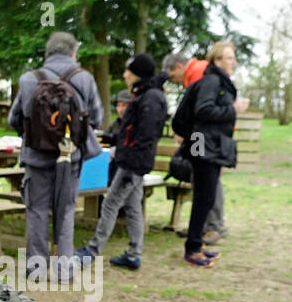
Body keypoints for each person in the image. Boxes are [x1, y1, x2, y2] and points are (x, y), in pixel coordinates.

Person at [8, 31, 103, 283]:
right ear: (73, 52)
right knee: (66, 210)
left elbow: (14, 119)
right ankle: (63, 271)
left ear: (48, 53)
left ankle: (36, 270)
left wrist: (34, 138)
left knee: (37, 210)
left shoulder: (30, 79)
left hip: (36, 158)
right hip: (70, 157)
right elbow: (97, 118)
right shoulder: (83, 78)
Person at [74, 54, 166, 271]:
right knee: (133, 207)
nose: (124, 75)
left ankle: (92, 251)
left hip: (133, 163)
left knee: (110, 203)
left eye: (128, 71)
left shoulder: (151, 98)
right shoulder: (144, 95)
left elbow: (146, 135)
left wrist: (129, 158)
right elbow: (130, 132)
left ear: (137, 74)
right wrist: (109, 137)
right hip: (134, 161)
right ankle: (134, 254)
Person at [173, 40, 247, 268]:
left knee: (205, 196)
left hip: (208, 144)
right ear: (216, 60)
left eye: (233, 57)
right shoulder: (212, 81)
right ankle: (192, 249)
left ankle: (196, 243)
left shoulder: (218, 81)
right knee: (203, 195)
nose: (233, 61)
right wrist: (232, 109)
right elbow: (203, 110)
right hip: (202, 144)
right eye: (228, 57)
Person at [168, 54, 228, 244]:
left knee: (208, 178)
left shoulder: (198, 72)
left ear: (179, 66)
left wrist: (185, 133)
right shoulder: (198, 71)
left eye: (173, 76)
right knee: (199, 176)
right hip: (203, 134)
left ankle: (214, 226)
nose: (176, 81)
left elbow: (198, 110)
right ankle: (200, 225)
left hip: (205, 135)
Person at [99, 89, 133, 185]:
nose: (120, 109)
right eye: (119, 106)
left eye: (124, 106)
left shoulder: (133, 124)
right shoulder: (116, 123)